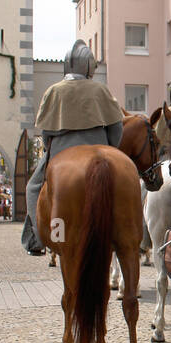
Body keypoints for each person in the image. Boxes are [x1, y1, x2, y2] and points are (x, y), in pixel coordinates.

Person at [21, 39, 126, 255]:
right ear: (89, 66)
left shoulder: (54, 90)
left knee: (32, 187)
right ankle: (129, 235)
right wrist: (110, 150)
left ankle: (40, 238)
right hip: (100, 150)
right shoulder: (101, 90)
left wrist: (50, 151)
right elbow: (117, 128)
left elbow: (46, 133)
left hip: (60, 150)